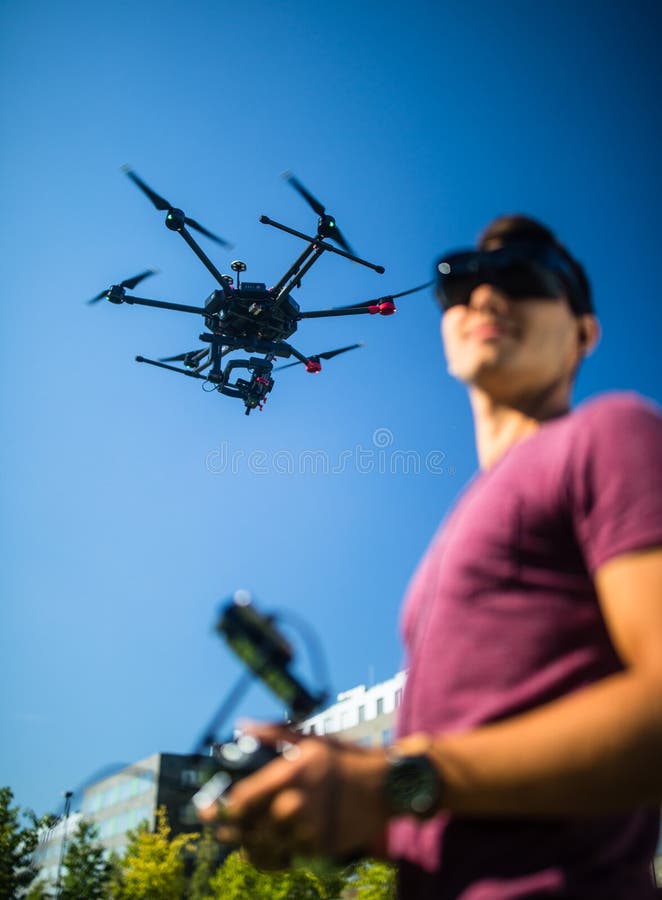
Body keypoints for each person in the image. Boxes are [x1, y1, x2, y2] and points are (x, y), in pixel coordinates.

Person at [199, 214, 662, 898]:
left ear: (584, 333)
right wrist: (332, 809)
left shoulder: (609, 433)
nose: (484, 297)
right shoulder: (449, 536)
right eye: (457, 281)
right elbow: (455, 814)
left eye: (526, 275)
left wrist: (395, 780)